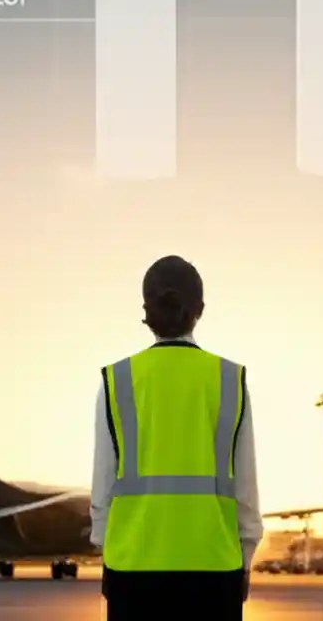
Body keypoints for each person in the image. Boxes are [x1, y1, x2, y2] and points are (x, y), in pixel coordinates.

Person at [90, 255, 263, 620]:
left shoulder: (117, 380)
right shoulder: (230, 380)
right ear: (200, 309)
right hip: (214, 569)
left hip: (133, 568)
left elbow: (103, 486)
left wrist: (107, 553)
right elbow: (245, 487)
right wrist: (245, 559)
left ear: (145, 309)